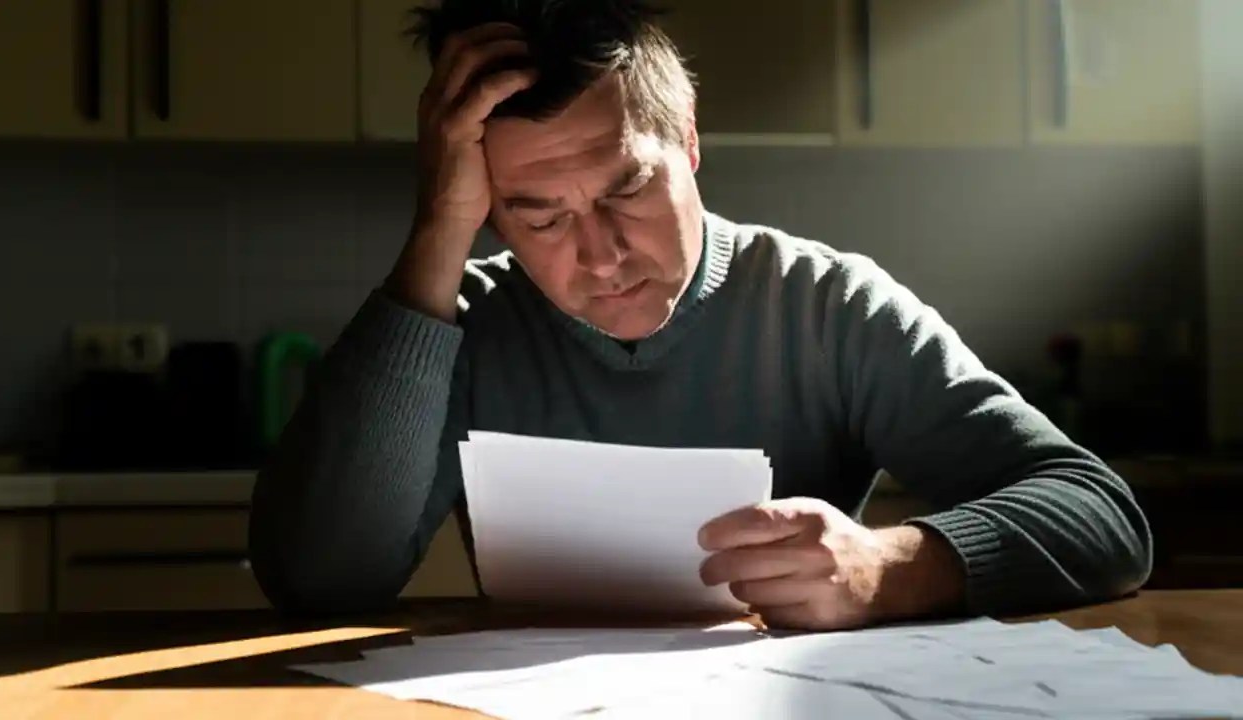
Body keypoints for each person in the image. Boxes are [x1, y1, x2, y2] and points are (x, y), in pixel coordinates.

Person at [248, 0, 1152, 629]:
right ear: (489, 211)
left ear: (687, 142)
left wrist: (890, 567)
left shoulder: (827, 305)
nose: (602, 256)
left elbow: (1100, 515)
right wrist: (440, 223)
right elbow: (317, 582)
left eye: (628, 189)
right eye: (540, 218)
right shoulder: (463, 328)